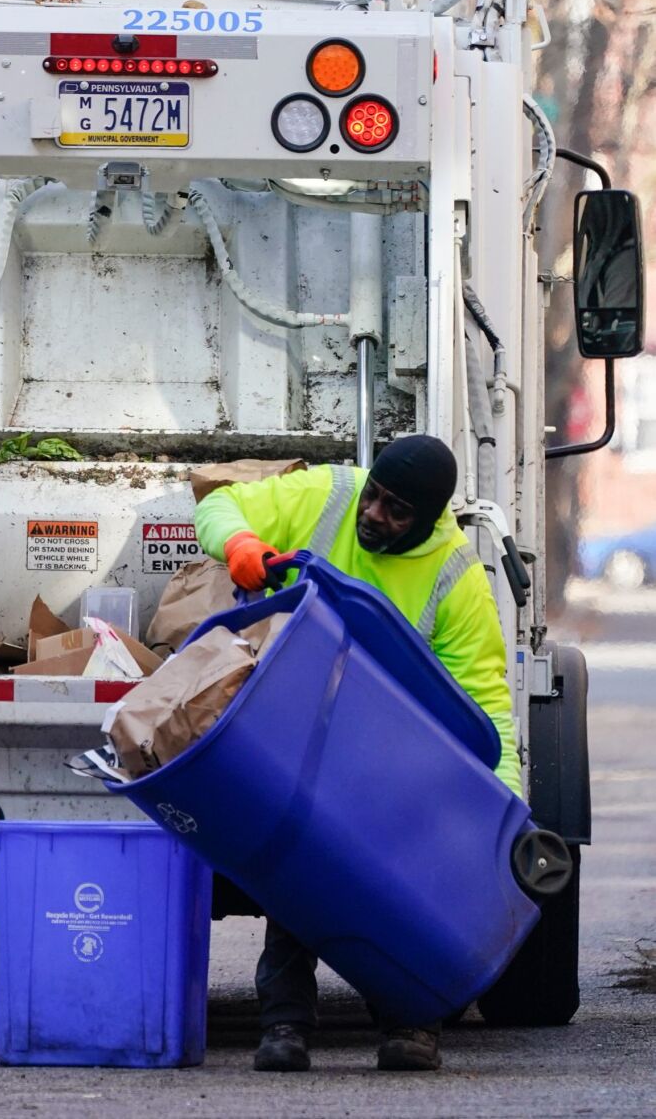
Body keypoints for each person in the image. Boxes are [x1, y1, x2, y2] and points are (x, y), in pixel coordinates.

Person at [193, 435, 518, 1074]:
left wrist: (501, 814)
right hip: (300, 727)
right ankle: (284, 1025)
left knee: (398, 883)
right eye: (376, 495)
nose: (373, 514)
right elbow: (218, 505)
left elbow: (484, 706)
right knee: (297, 869)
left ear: (428, 520)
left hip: (391, 752)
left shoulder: (457, 576)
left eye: (397, 511)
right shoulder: (331, 493)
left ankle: (410, 1025)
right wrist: (240, 545)